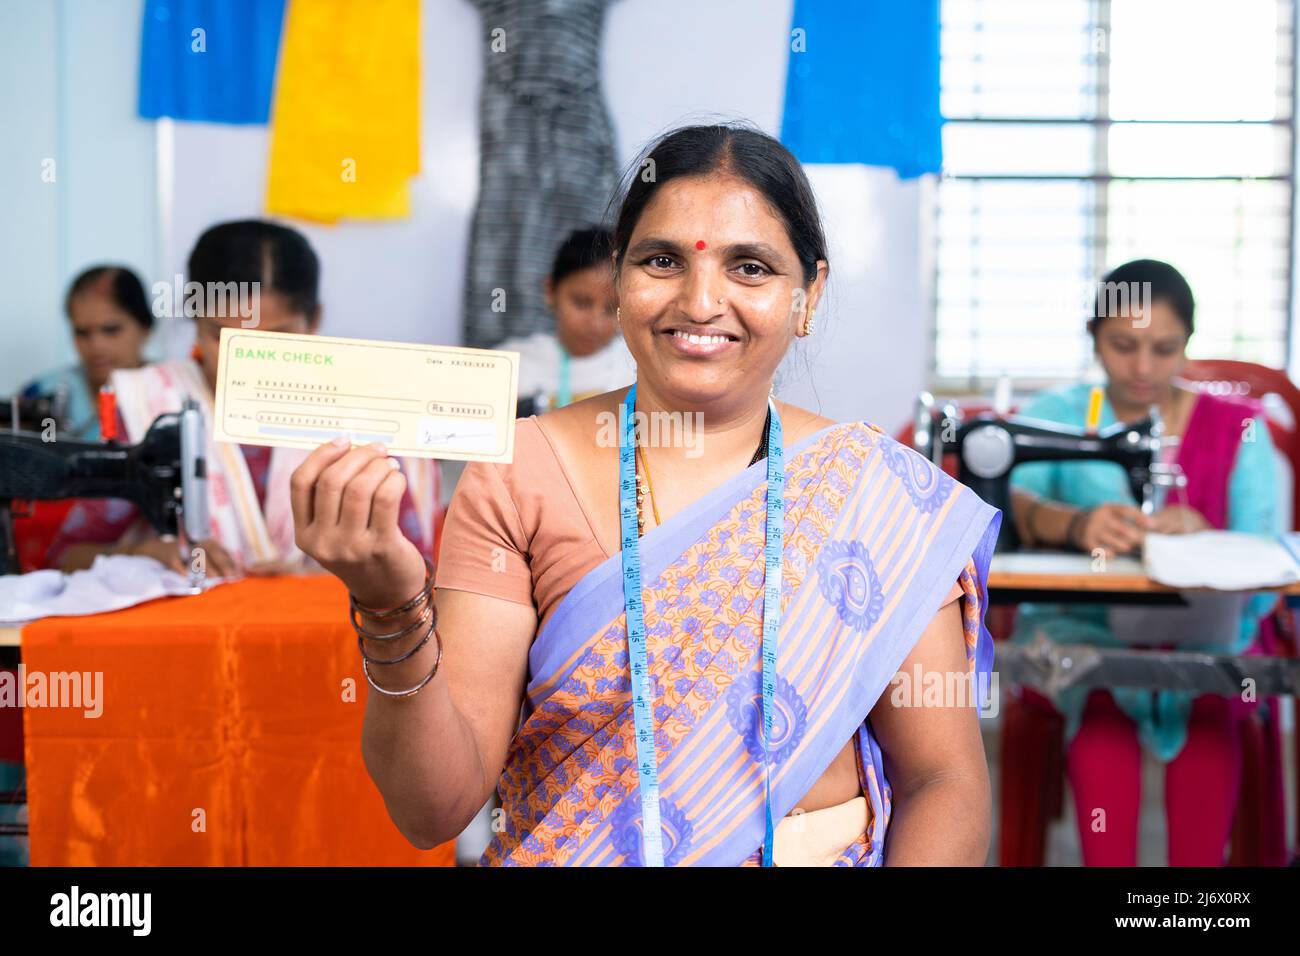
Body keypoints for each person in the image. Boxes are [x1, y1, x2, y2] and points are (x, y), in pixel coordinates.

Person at [291, 124, 1001, 867]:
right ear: (619, 279)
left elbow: (943, 781)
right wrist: (389, 606)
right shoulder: (520, 473)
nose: (701, 302)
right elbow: (430, 809)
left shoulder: (878, 493)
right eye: (662, 260)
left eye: (750, 268)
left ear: (808, 296)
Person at [1008, 258, 1282, 866]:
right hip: (1086, 625)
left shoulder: (1241, 429)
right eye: (1123, 346)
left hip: (1211, 635)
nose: (1142, 368)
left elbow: (1264, 559)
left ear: (1187, 344)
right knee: (1103, 698)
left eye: (1164, 349)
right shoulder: (1060, 415)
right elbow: (1003, 503)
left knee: (1208, 701)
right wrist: (1075, 525)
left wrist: (1205, 536)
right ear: (1094, 339)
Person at [47, 220, 439, 577]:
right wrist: (144, 554)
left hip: (333, 647)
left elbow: (416, 576)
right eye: (223, 336)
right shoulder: (149, 406)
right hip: (189, 645)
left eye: (276, 339)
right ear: (195, 320)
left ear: (314, 321)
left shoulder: (364, 412)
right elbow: (66, 556)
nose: (250, 361)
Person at [497, 227, 634, 412]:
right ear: (550, 291)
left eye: (612, 309)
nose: (595, 324)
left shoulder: (638, 370)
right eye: (581, 303)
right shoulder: (509, 365)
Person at [21, 266, 153, 440]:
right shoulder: (42, 394)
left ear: (145, 329)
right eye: (82, 332)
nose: (96, 346)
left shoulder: (174, 391)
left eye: (111, 330)